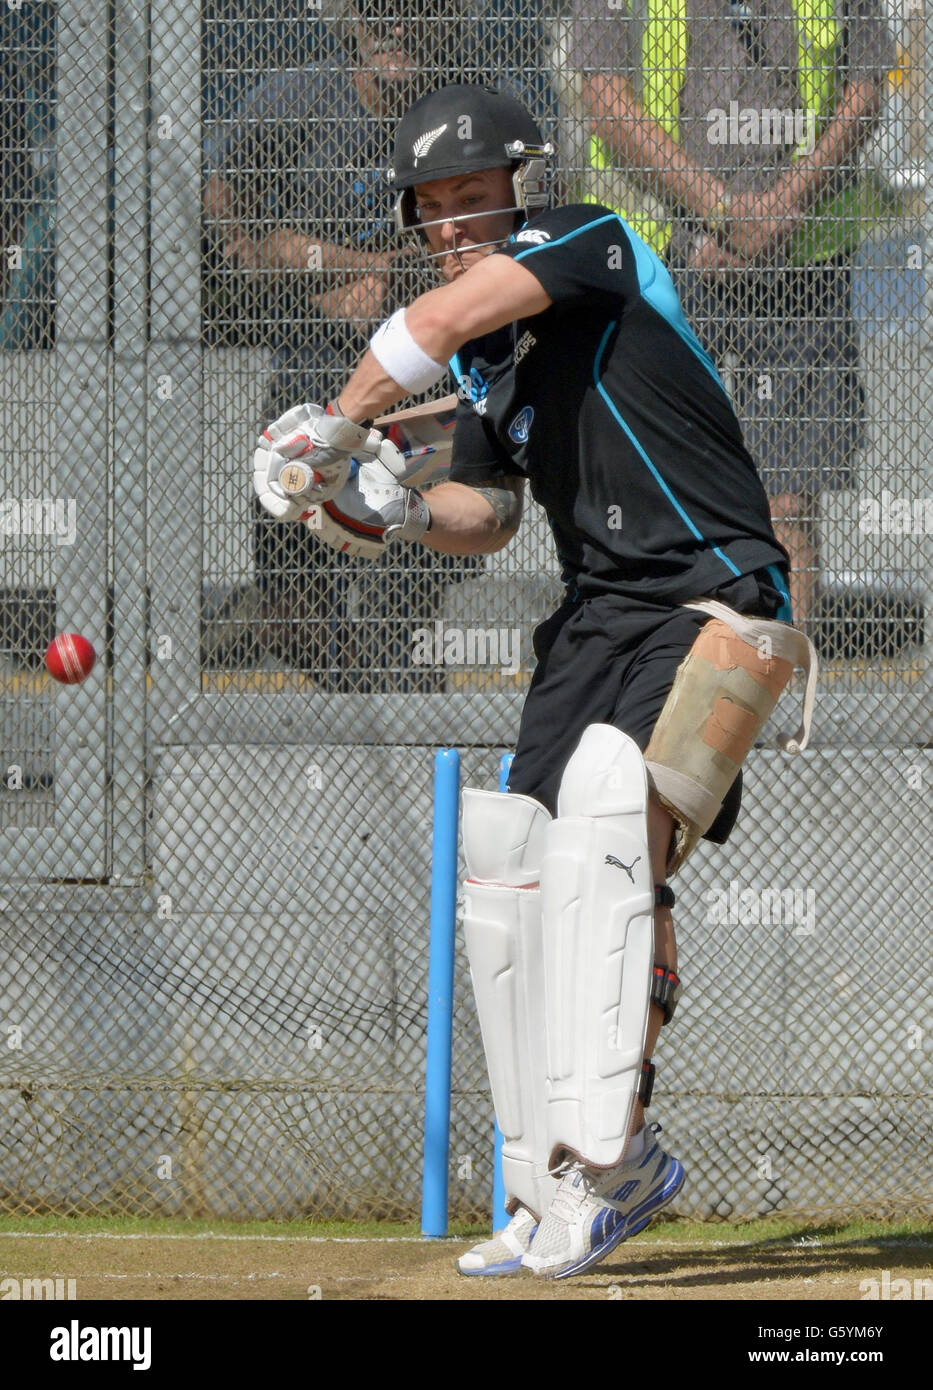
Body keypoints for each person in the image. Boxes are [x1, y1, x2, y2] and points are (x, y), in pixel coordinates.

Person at [252, 83, 816, 1280]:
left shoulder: (586, 239)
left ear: (520, 187)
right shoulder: (495, 358)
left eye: (475, 197)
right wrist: (386, 504)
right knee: (511, 858)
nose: (458, 221)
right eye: (435, 207)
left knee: (616, 824)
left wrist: (344, 420)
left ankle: (609, 1161)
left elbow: (447, 318)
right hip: (595, 616)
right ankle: (539, 1185)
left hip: (711, 591)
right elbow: (490, 516)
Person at [569, 0, 895, 627]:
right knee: (658, 490)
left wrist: (784, 204)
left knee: (787, 498)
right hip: (660, 260)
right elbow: (606, 99)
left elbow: (865, 86)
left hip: (801, 262)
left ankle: (776, 696)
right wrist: (722, 209)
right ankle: (664, 687)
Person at [203, 2, 473, 687]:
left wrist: (399, 281)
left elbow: (508, 241)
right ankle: (361, 695)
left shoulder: (470, 110)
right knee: (291, 614)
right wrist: (297, 261)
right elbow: (225, 208)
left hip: (427, 395)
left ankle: (399, 696)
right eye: (380, 9)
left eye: (423, 11)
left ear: (453, 20)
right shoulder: (293, 100)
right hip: (311, 384)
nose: (400, 24)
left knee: (399, 598)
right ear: (348, 18)